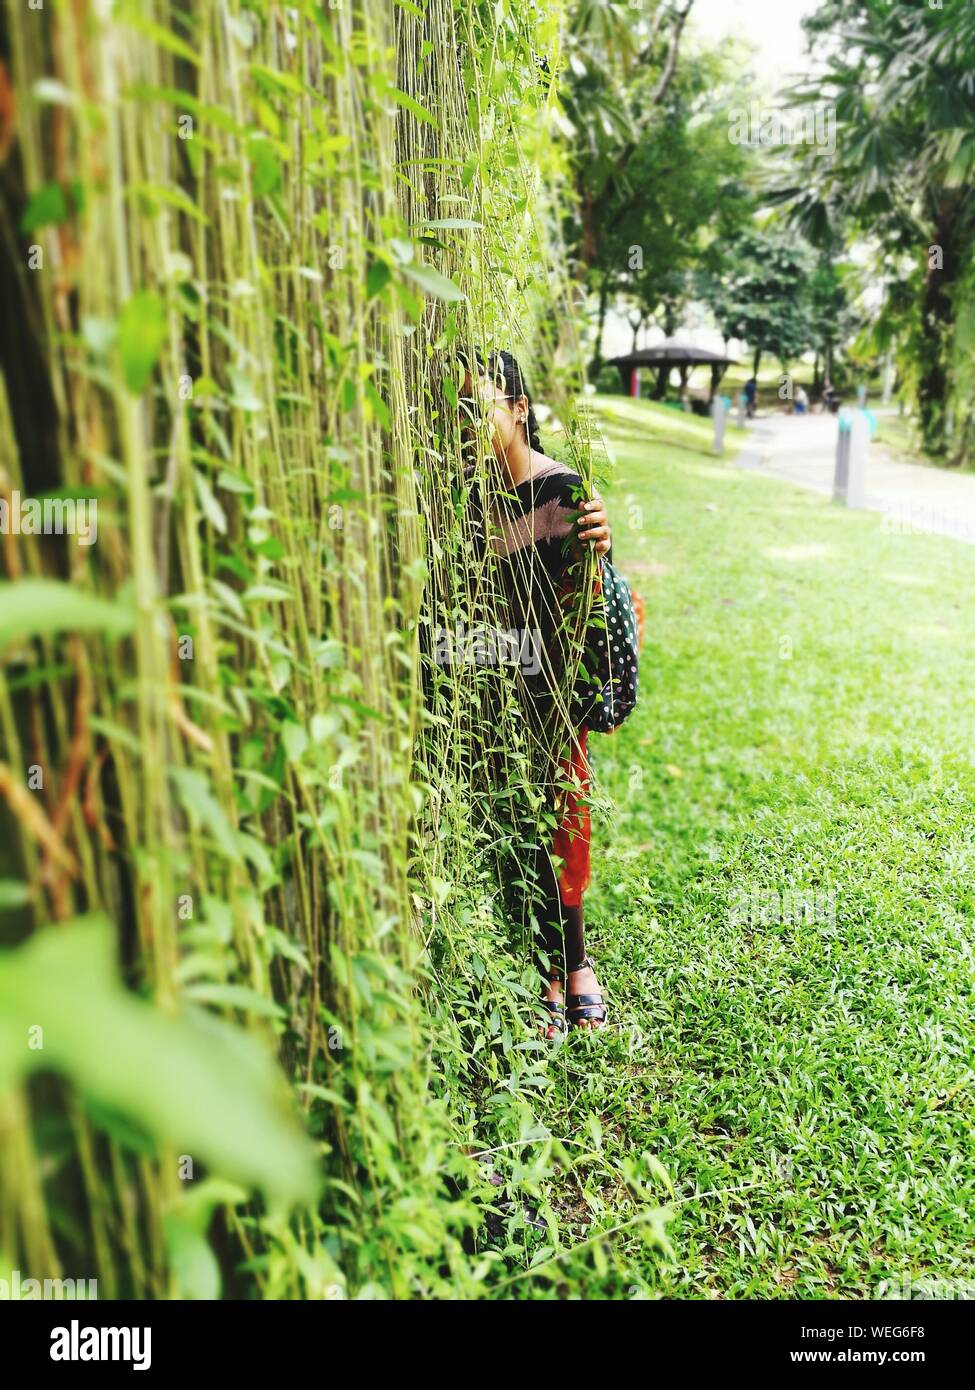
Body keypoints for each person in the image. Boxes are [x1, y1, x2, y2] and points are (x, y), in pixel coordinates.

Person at [458, 351, 611, 1035]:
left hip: (552, 688)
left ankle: (573, 966)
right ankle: (544, 963)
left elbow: (585, 605)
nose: (469, 422)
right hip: (493, 685)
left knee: (560, 819)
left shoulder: (563, 489)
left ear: (519, 409)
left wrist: (598, 546)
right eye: (458, 410)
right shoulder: (465, 499)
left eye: (480, 403)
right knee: (515, 819)